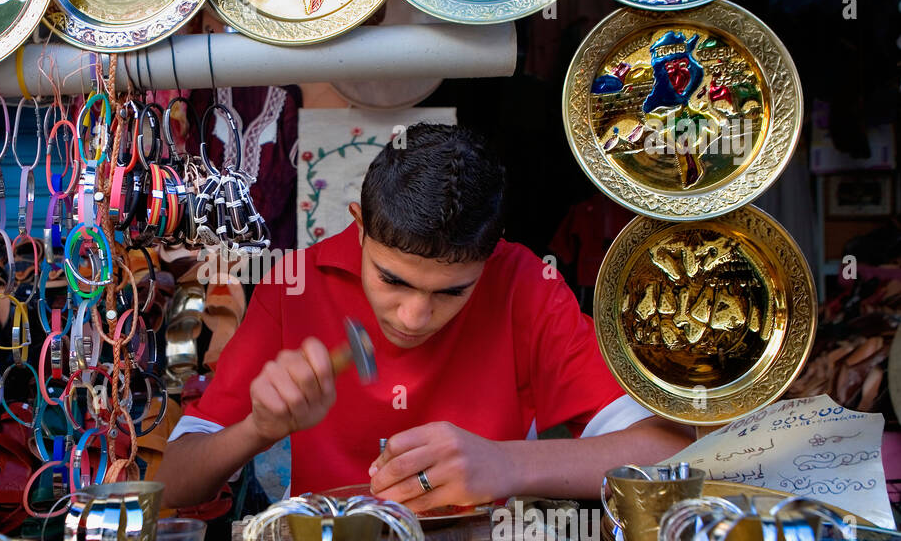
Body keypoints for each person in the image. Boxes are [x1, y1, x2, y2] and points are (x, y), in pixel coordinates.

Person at [154, 123, 693, 512]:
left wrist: (506, 465)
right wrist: (255, 430)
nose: (414, 317)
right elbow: (174, 483)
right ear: (360, 227)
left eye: (453, 292)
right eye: (392, 280)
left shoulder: (523, 284)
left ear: (490, 255)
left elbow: (668, 456)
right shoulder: (295, 283)